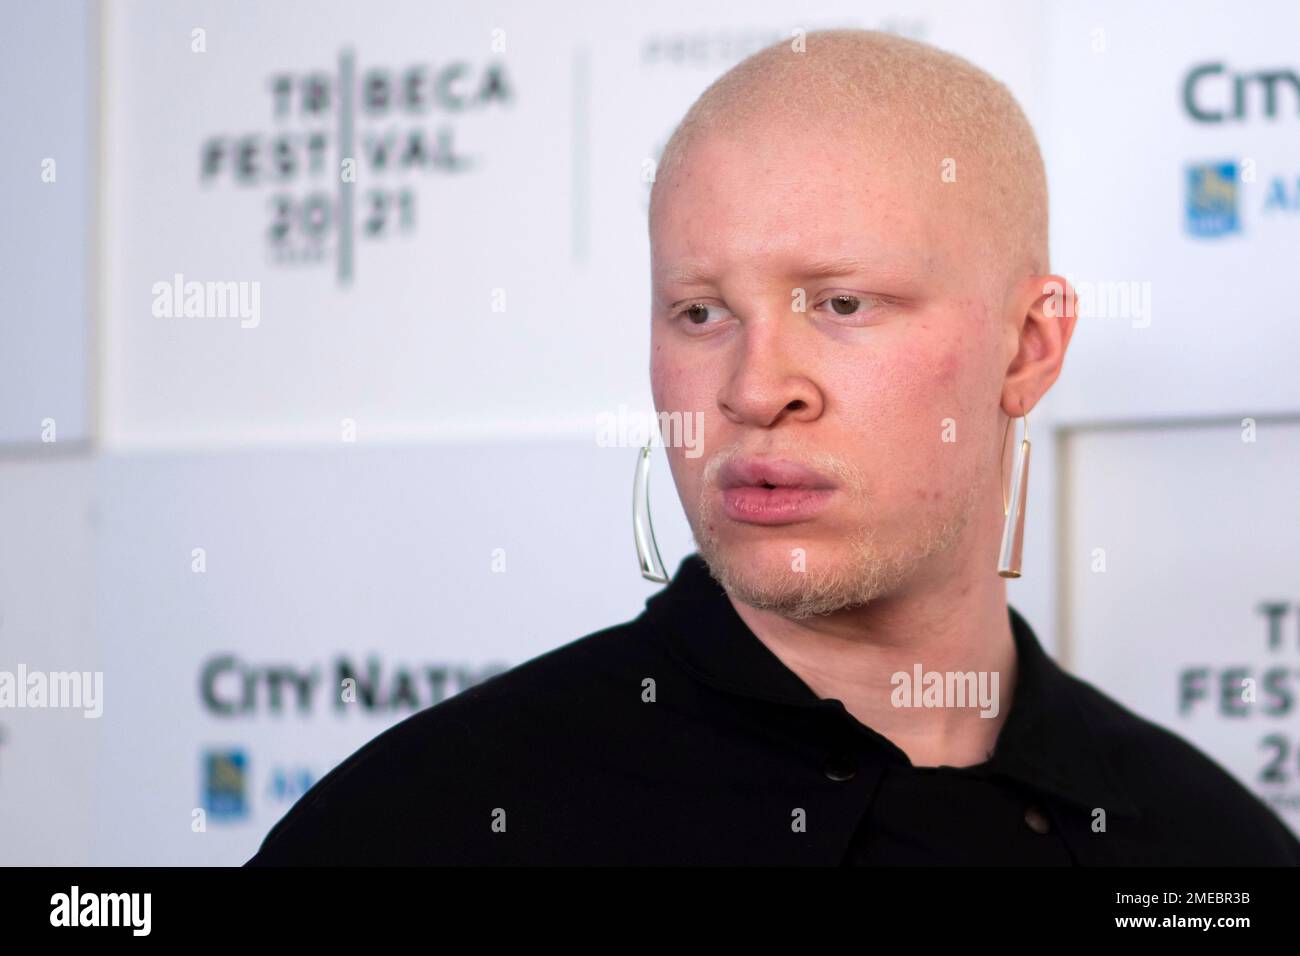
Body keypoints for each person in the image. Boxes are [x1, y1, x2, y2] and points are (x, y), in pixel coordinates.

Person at [246, 28, 1300, 865]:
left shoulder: (1205, 847)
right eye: (699, 313)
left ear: (1028, 346)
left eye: (842, 302)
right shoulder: (426, 825)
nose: (754, 390)